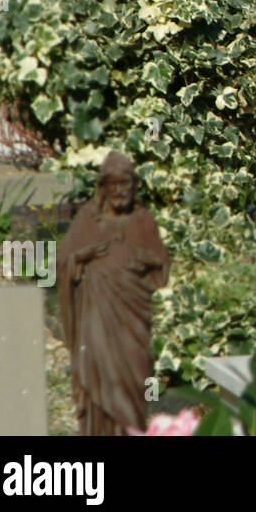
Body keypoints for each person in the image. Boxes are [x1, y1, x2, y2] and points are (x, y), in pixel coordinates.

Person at [58, 151, 170, 435]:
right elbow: (61, 263)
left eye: (127, 184)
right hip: (96, 314)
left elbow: (162, 268)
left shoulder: (144, 221)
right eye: (115, 184)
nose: (121, 190)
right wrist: (83, 254)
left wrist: (152, 261)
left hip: (133, 316)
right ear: (104, 187)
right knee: (99, 376)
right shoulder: (88, 219)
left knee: (134, 379)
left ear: (135, 186)